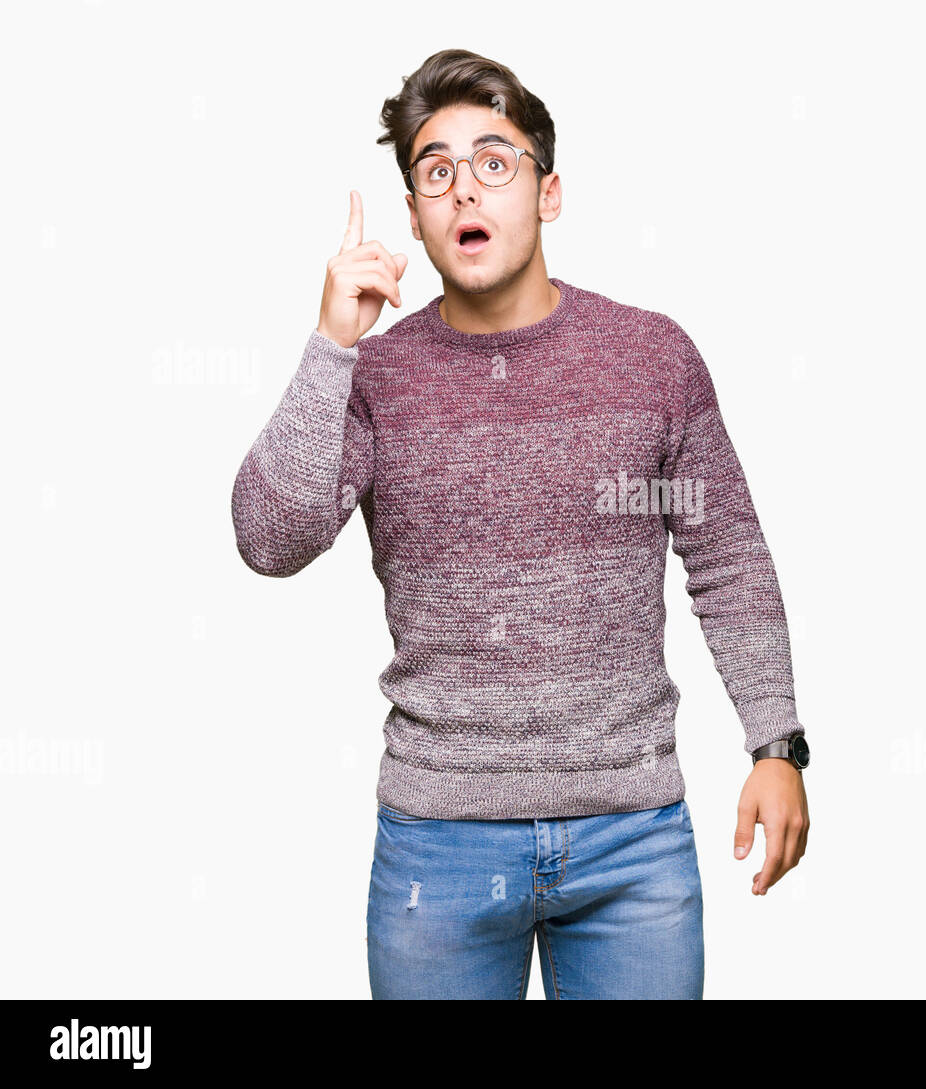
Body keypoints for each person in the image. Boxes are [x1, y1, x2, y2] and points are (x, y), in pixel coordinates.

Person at [230, 48, 810, 1000]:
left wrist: (776, 743)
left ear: (548, 193)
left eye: (494, 161)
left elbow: (728, 557)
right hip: (438, 845)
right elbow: (268, 538)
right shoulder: (373, 379)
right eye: (436, 170)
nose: (466, 189)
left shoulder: (652, 358)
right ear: (416, 214)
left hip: (633, 840)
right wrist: (332, 342)